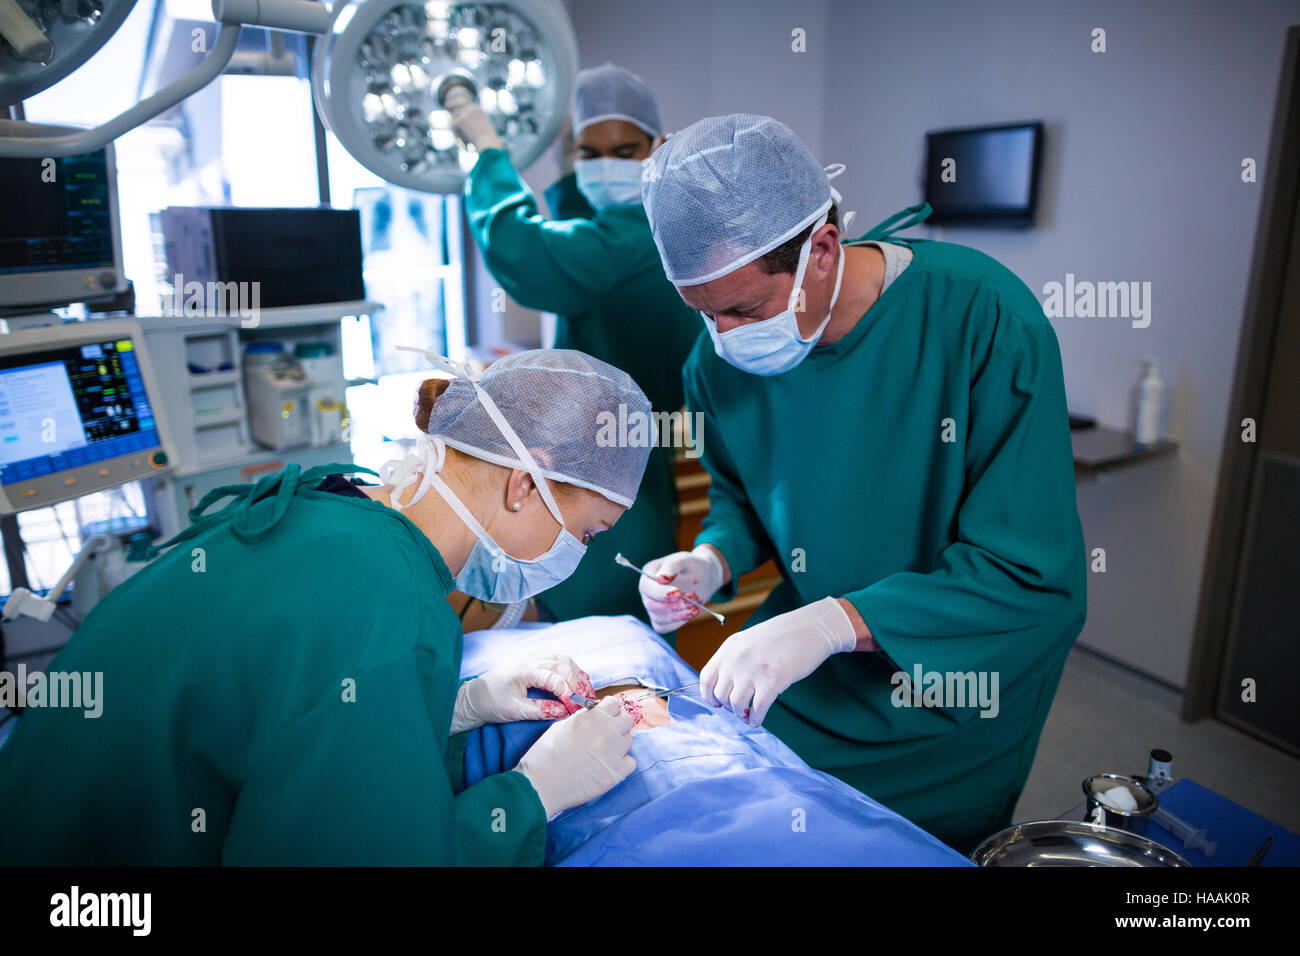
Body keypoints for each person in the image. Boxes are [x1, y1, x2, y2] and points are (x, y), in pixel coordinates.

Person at [0, 350, 653, 865]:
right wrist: (533, 796)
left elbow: (290, 716)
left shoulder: (340, 507)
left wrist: (455, 709)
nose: (580, 551)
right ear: (522, 484)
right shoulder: (391, 613)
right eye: (589, 532)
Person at [635, 114, 1087, 853]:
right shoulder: (717, 362)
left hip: (945, 688)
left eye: (743, 310)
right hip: (811, 681)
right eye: (703, 314)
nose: (722, 338)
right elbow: (742, 497)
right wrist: (712, 559)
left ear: (821, 248)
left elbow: (1030, 579)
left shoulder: (982, 319)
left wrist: (836, 622)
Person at [448, 63, 701, 626]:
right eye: (588, 152)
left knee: (607, 646)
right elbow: (584, 232)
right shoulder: (630, 226)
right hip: (613, 463)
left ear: (658, 147)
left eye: (624, 149)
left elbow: (524, 251)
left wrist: (488, 151)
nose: (605, 164)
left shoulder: (636, 236)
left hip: (611, 476)